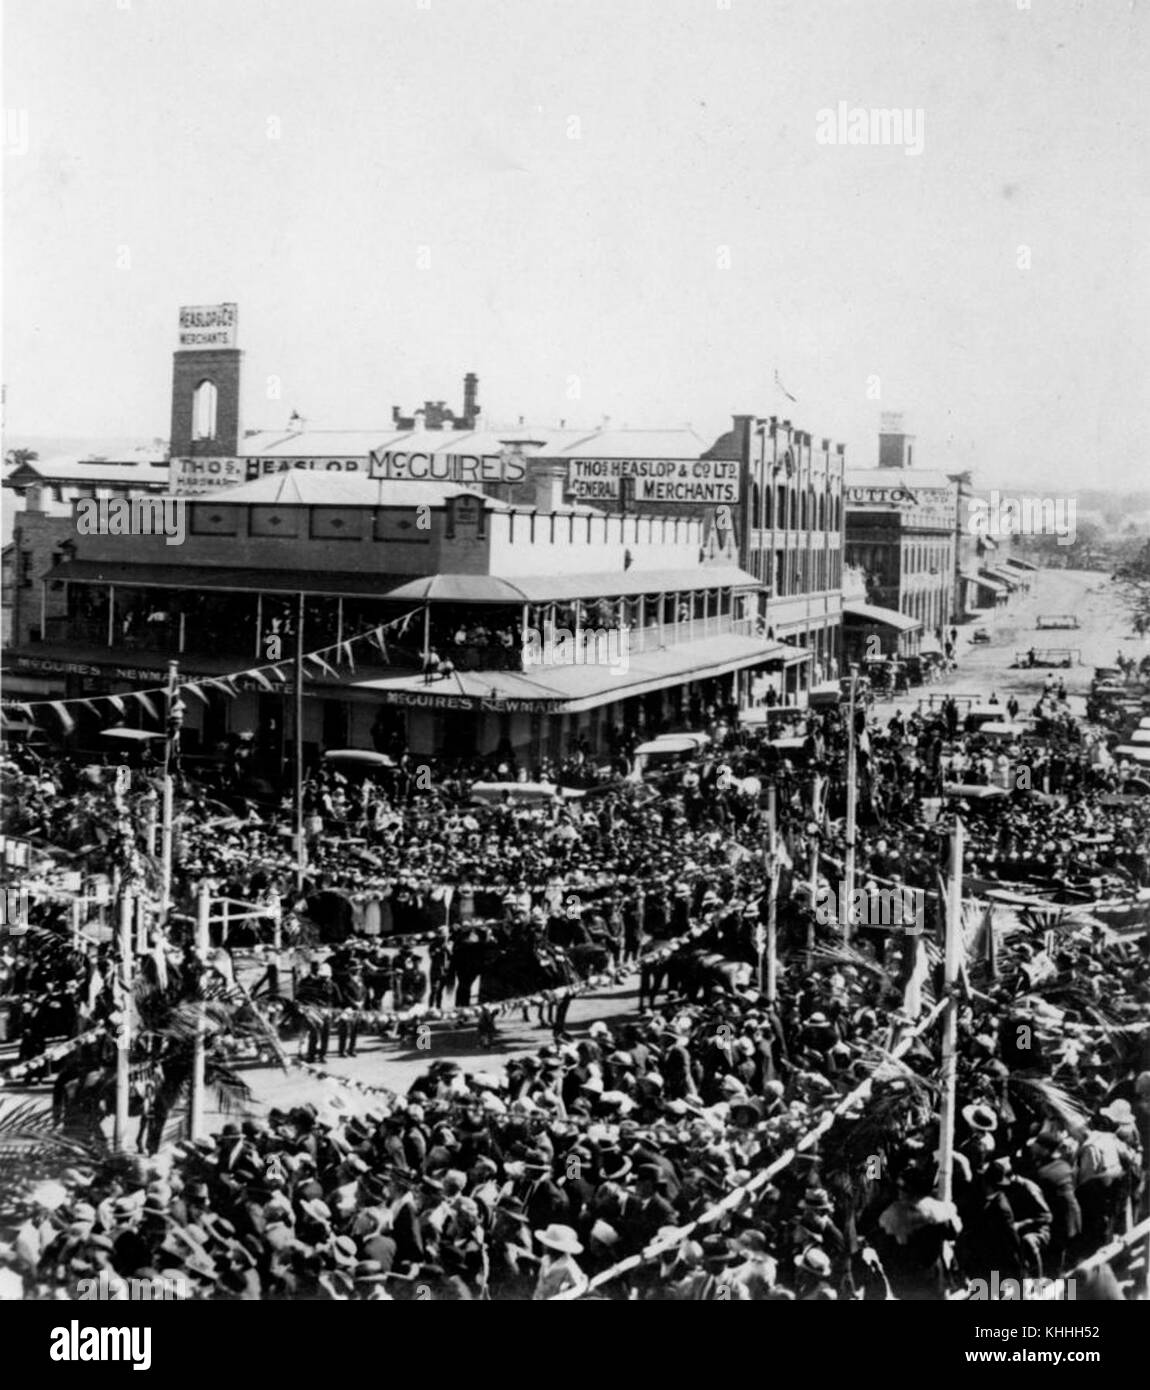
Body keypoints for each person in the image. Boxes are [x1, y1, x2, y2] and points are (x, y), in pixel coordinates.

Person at [531, 1225, 587, 1299]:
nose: (542, 1245)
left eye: (546, 1244)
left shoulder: (569, 1266)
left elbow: (581, 1287)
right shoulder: (547, 1258)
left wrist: (563, 1297)